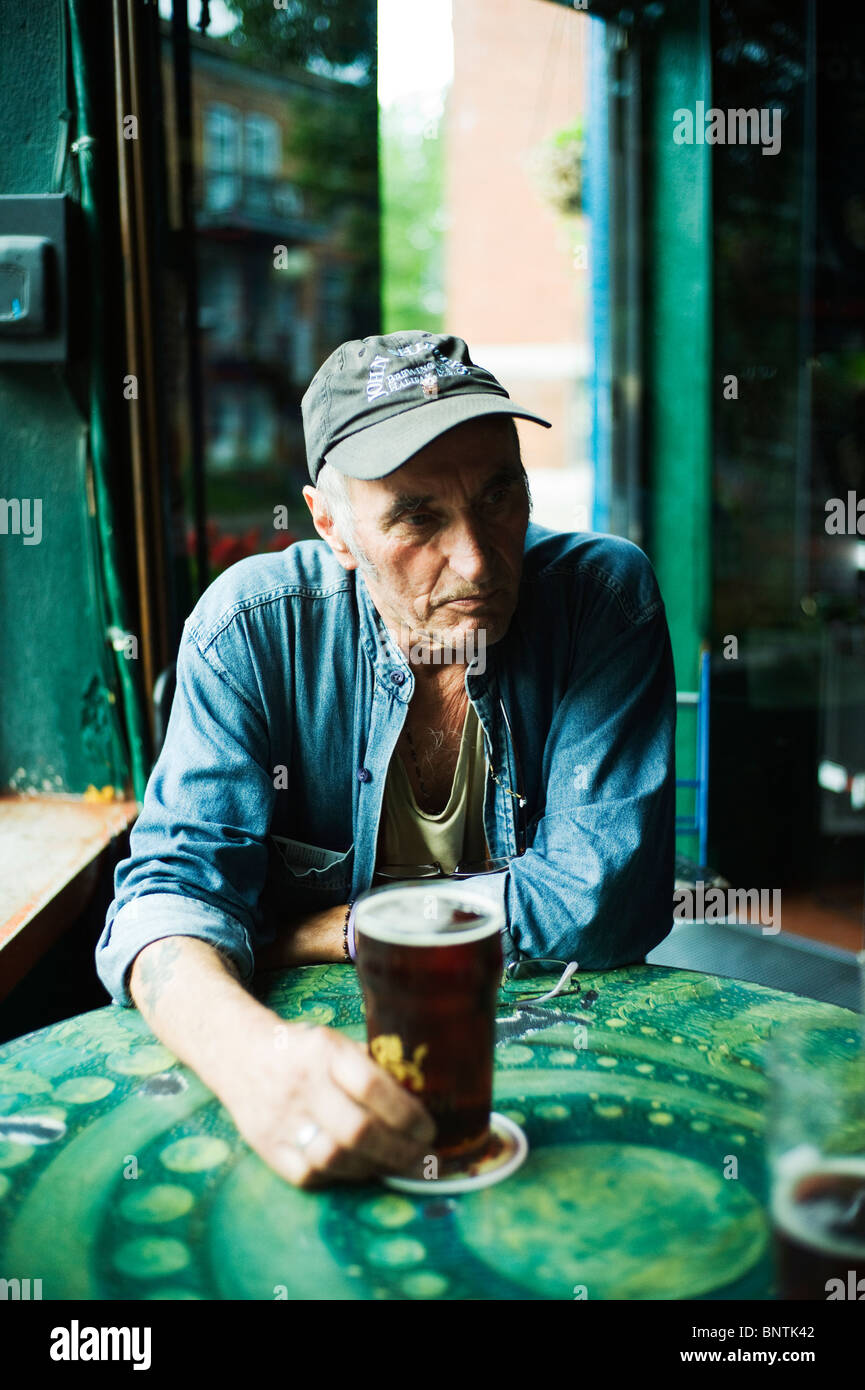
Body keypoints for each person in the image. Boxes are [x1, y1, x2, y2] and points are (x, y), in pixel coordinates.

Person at [95, 331, 675, 1189]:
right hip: (318, 1048)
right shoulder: (252, 631)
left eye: (499, 495)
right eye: (416, 517)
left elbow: (599, 903)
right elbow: (166, 904)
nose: (477, 559)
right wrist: (254, 1062)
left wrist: (313, 931)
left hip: (564, 1049)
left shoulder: (601, 598)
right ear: (329, 524)